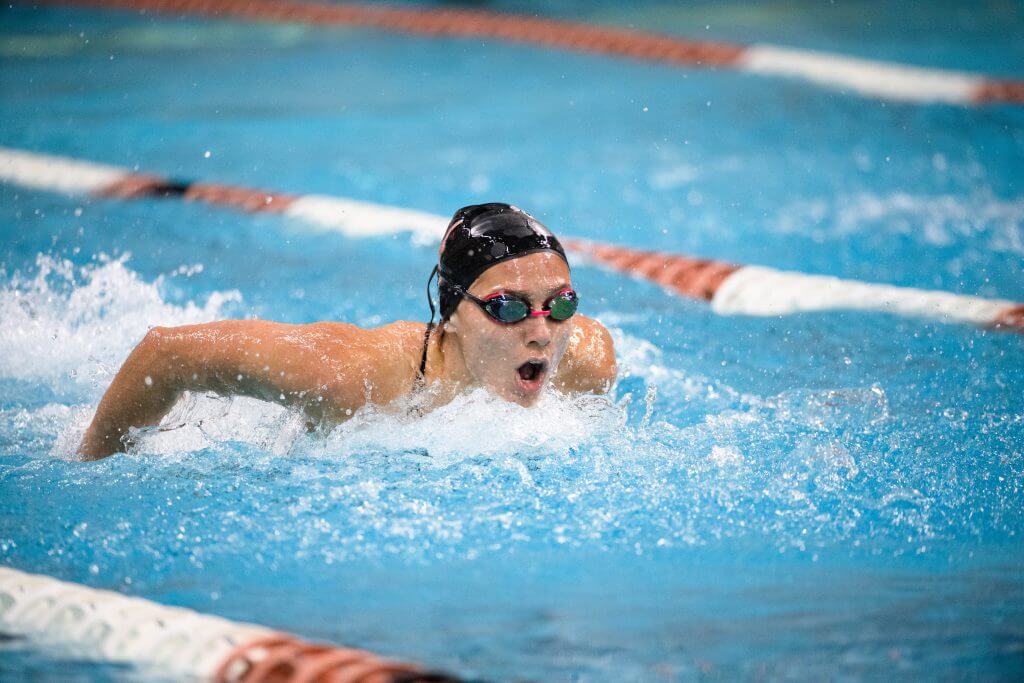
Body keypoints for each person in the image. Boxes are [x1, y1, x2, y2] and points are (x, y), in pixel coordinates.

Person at [79, 203, 617, 459]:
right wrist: (91, 467)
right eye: (507, 308)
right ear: (451, 313)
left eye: (560, 304)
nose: (542, 333)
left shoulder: (586, 360)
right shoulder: (350, 379)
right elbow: (165, 354)